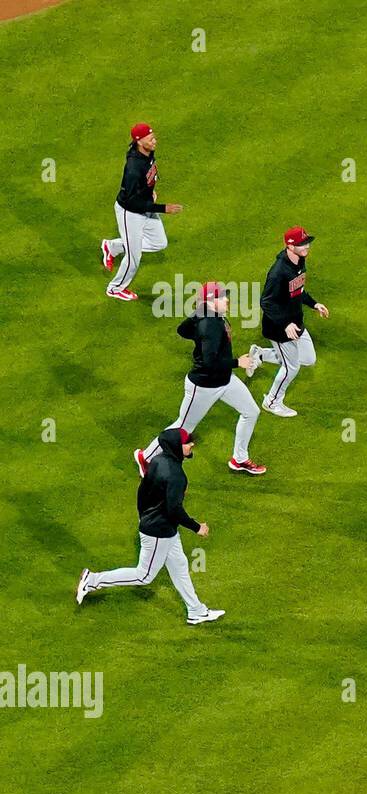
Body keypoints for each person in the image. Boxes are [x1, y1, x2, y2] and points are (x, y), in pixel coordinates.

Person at [76, 428, 224, 625]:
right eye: (187, 442)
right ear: (175, 447)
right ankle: (92, 580)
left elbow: (142, 492)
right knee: (144, 576)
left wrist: (144, 515)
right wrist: (197, 527)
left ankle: (196, 611)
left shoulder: (158, 461)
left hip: (161, 527)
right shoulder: (176, 475)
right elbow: (174, 510)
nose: (192, 445)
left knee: (179, 566)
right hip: (158, 532)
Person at [135, 282, 265, 477]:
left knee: (251, 411)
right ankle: (146, 457)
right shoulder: (209, 324)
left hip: (225, 380)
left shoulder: (210, 316)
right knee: (183, 427)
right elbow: (209, 361)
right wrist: (239, 362)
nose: (226, 299)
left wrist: (199, 330)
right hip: (203, 386)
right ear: (210, 302)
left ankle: (239, 459)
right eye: (221, 297)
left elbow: (183, 330)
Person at [246, 226, 330, 417]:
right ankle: (272, 402)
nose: (306, 246)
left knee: (308, 359)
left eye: (306, 242)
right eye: (301, 244)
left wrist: (314, 304)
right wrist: (285, 324)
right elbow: (266, 302)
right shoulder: (278, 272)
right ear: (289, 247)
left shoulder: (300, 261)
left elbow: (298, 289)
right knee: (291, 367)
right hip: (280, 329)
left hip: (296, 322)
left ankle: (259, 355)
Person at [101, 123, 183, 301]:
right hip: (129, 212)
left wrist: (149, 192)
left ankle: (112, 247)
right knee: (134, 256)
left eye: (154, 137)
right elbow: (132, 201)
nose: (155, 141)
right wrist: (163, 208)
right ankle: (115, 288)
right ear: (139, 141)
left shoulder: (147, 153)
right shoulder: (133, 168)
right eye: (150, 139)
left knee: (159, 242)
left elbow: (148, 179)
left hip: (144, 207)